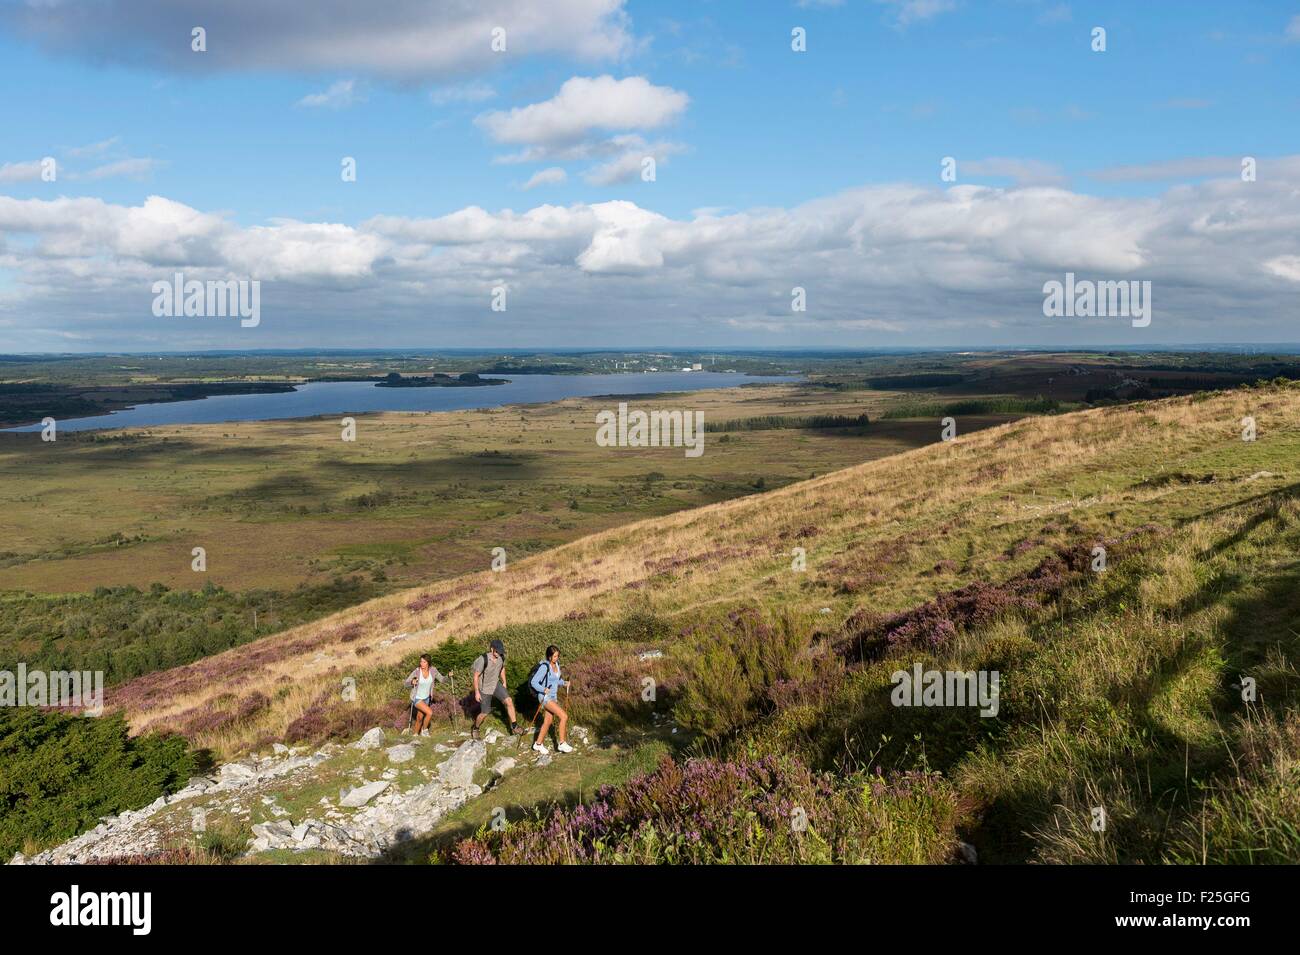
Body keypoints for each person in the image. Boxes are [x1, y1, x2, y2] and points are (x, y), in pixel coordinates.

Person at [471, 639, 521, 738]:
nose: (499, 653)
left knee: (509, 701)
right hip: (484, 689)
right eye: (497, 651)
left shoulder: (501, 657)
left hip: (496, 684)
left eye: (500, 651)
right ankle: (475, 728)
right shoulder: (483, 659)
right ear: (492, 649)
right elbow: (476, 676)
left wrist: (504, 681)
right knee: (485, 713)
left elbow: (502, 668)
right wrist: (477, 692)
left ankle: (514, 727)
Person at [529, 644, 573, 754]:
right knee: (564, 716)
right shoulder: (545, 667)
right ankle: (562, 743)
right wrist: (543, 689)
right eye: (554, 656)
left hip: (554, 696)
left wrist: (563, 683)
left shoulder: (557, 665)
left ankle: (538, 744)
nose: (556, 658)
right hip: (545, 697)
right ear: (549, 657)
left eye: (557, 656)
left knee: (548, 721)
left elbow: (555, 680)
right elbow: (534, 682)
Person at [404, 654, 449, 736]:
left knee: (419, 718)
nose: (422, 664)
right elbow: (405, 683)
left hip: (427, 698)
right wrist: (411, 682)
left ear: (428, 662)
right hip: (417, 698)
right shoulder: (417, 671)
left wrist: (448, 676)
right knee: (429, 712)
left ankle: (415, 735)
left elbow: (442, 680)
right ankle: (425, 731)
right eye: (421, 661)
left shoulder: (433, 671)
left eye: (424, 662)